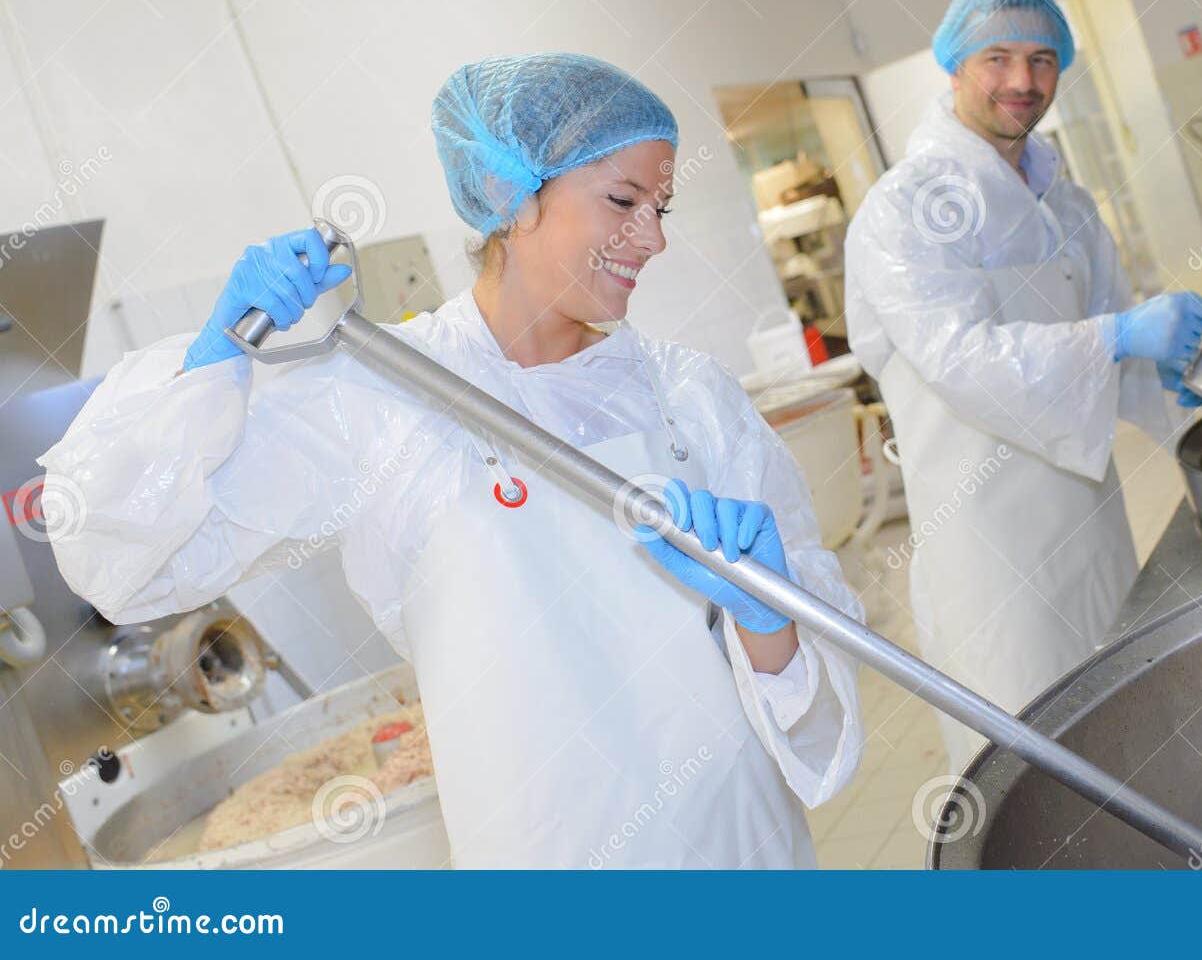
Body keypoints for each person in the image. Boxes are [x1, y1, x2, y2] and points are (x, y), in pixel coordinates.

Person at [41, 52, 863, 868]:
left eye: (662, 205)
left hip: (748, 844)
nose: (651, 237)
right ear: (511, 197)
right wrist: (213, 361)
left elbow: (820, 681)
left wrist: (770, 623)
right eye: (622, 200)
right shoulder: (384, 394)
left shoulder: (691, 397)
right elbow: (124, 561)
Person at [844, 0, 1202, 770]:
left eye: (1043, 59)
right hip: (987, 539)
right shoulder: (902, 210)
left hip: (1089, 510)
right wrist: (1116, 336)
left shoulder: (1065, 200)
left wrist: (1179, 386)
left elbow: (1117, 335)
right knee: (1028, 745)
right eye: (998, 58)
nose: (1023, 81)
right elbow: (958, 357)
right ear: (953, 66)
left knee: (1119, 722)